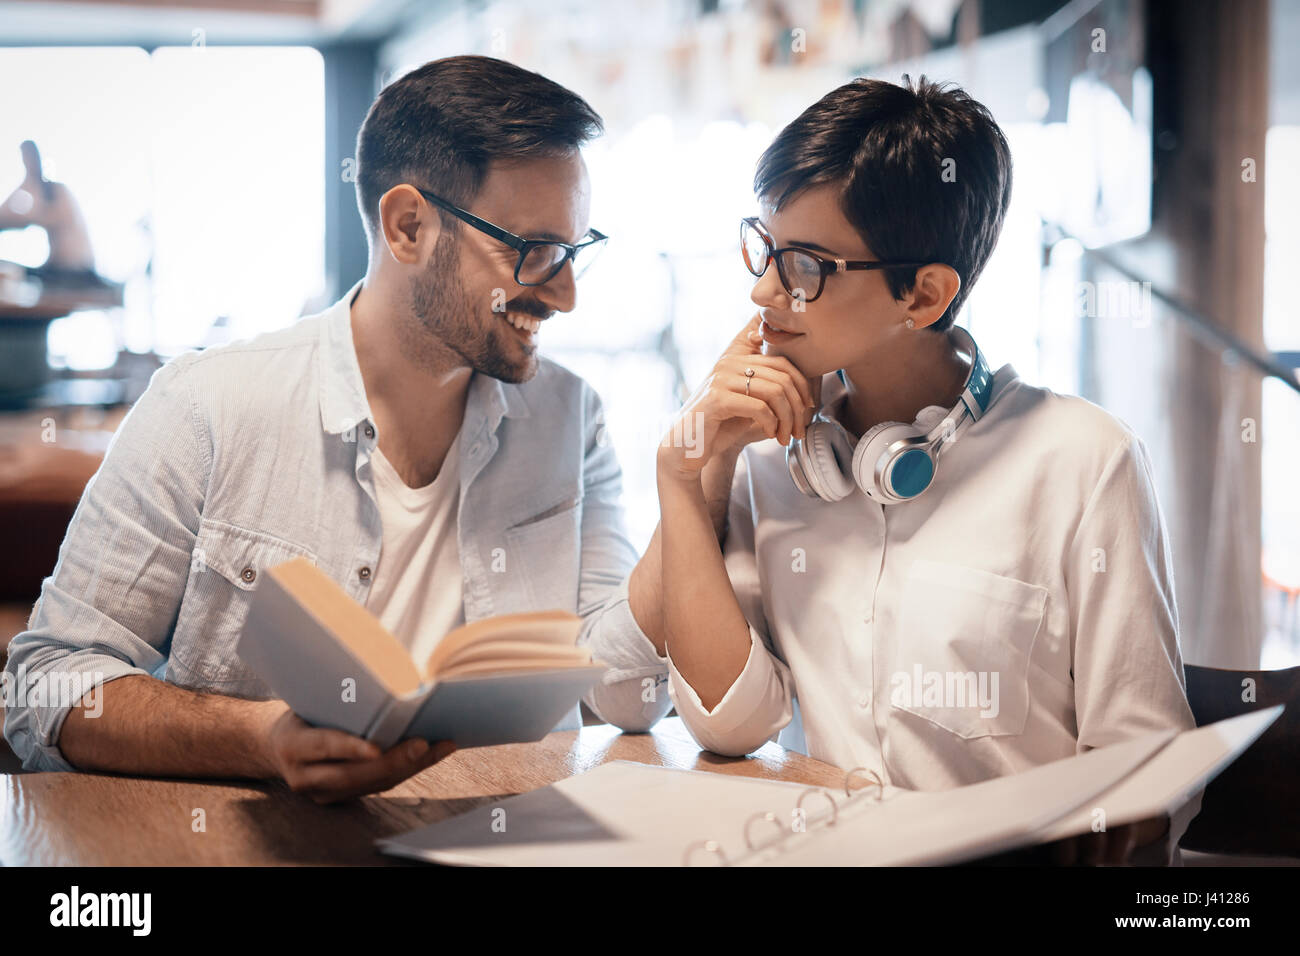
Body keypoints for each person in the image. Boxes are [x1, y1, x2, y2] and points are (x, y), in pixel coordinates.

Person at [2, 55, 675, 803]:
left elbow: (628, 697)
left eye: (575, 251)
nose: (568, 294)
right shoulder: (207, 408)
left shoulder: (571, 422)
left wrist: (689, 490)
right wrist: (260, 740)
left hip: (493, 839)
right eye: (533, 252)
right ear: (408, 226)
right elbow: (48, 683)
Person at [645, 76, 1200, 865]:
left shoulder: (1084, 460)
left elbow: (1146, 773)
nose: (763, 290)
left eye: (804, 267)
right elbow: (729, 722)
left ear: (924, 295)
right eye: (765, 249)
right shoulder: (772, 458)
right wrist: (684, 474)